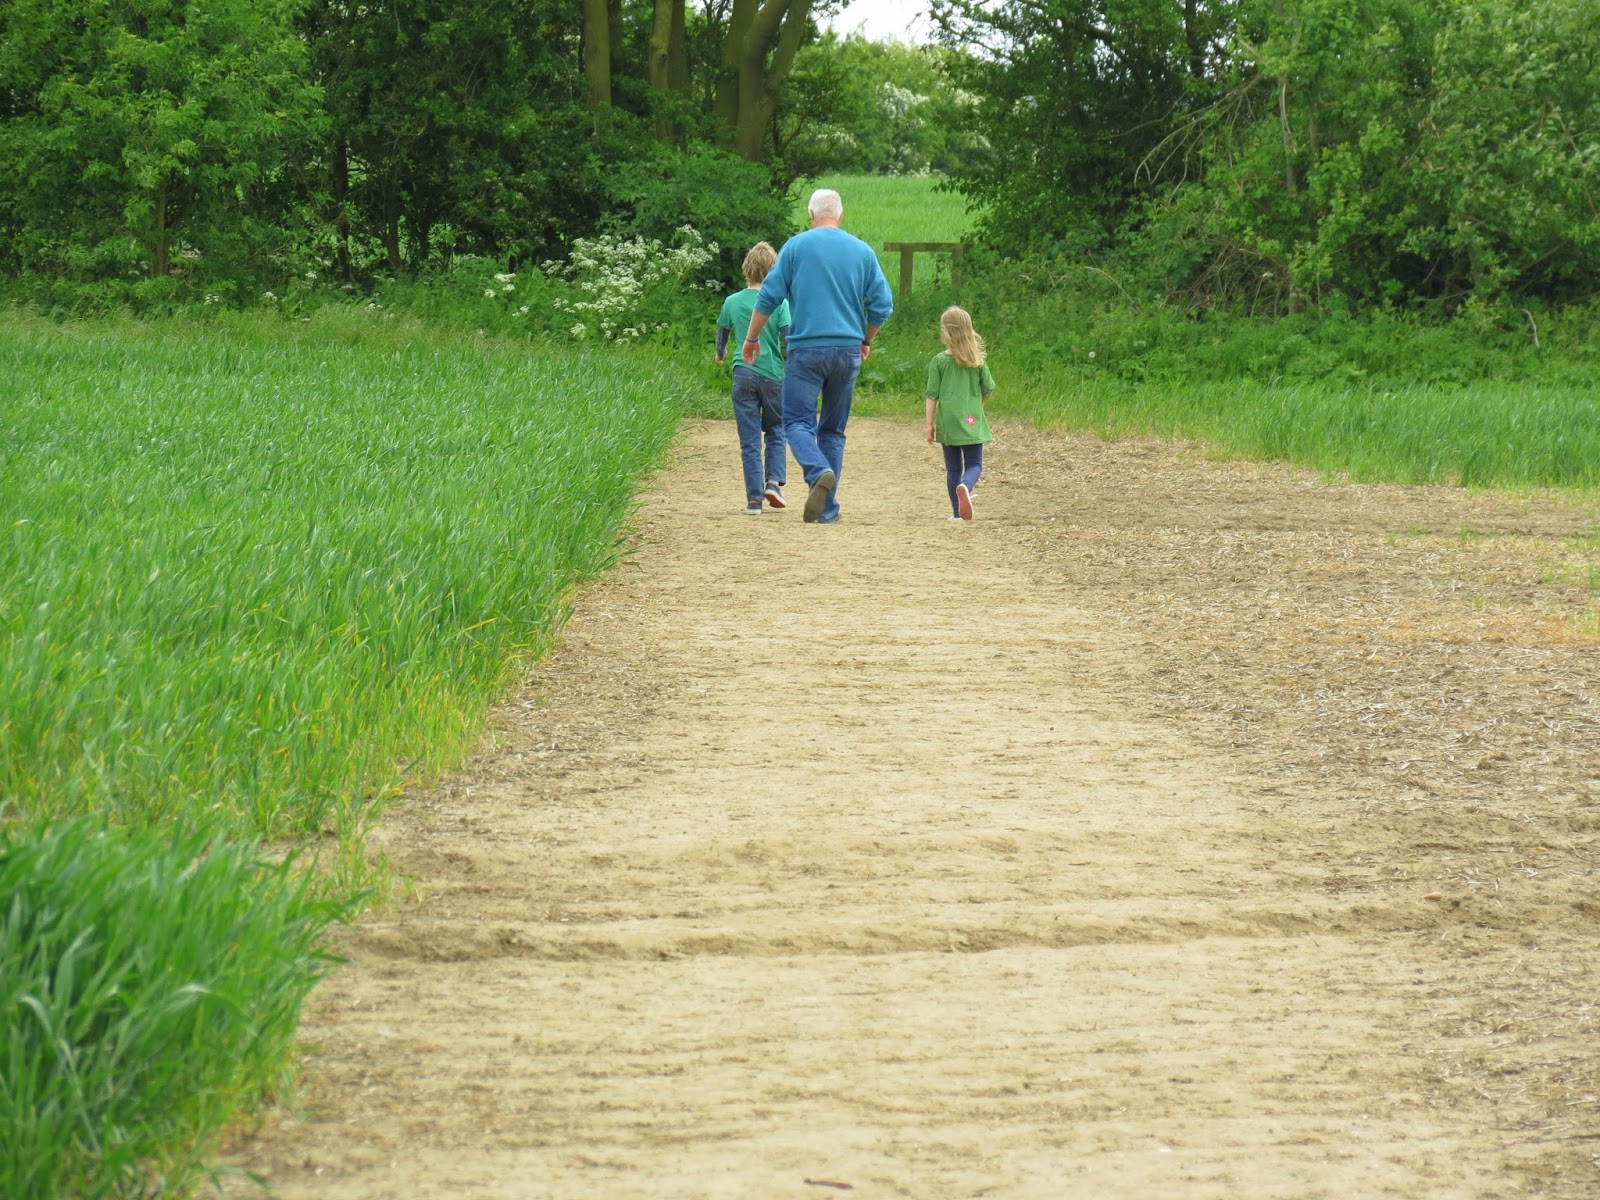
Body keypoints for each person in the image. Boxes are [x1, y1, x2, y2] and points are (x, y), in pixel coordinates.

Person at [742, 189, 893, 524]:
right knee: (833, 430)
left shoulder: (796, 247)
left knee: (796, 422)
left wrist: (751, 338)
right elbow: (883, 305)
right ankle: (827, 509)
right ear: (840, 215)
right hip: (848, 350)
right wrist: (866, 339)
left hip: (807, 350)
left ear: (811, 215)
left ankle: (817, 471)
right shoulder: (862, 251)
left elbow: (768, 297)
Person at [716, 242, 791, 515]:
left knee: (749, 439)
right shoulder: (780, 302)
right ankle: (773, 483)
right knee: (776, 429)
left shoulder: (732, 301)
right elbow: (788, 338)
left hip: (743, 374)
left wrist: (720, 355)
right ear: (774, 271)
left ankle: (754, 500)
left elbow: (722, 334)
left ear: (746, 268)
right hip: (773, 374)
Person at [924, 305, 995, 522]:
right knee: (974, 464)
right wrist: (976, 406)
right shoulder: (977, 361)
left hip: (948, 421)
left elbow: (932, 395)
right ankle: (966, 485)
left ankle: (957, 513)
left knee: (953, 468)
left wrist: (929, 424)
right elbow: (988, 390)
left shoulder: (939, 361)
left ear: (946, 331)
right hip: (971, 420)